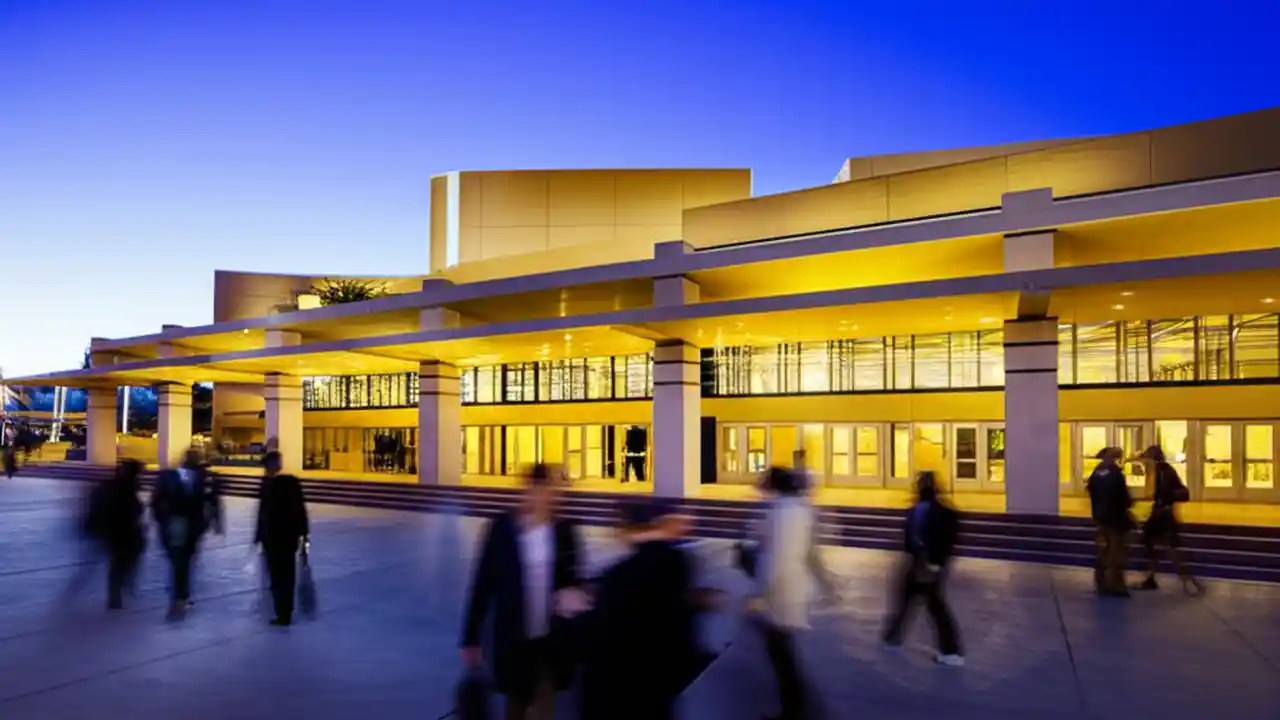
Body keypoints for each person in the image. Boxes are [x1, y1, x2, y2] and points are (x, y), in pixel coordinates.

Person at [461, 464, 586, 720]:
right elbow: (483, 583)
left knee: (545, 705)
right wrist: (471, 637)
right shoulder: (502, 529)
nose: (553, 496)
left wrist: (574, 598)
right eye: (549, 489)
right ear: (532, 489)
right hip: (514, 641)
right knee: (516, 706)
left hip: (550, 642)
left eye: (557, 491)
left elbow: (573, 579)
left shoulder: (564, 531)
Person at [581, 499, 722, 720]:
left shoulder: (619, 574)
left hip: (623, 684)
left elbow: (604, 635)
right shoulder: (678, 562)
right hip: (663, 678)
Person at [750, 466, 818, 720]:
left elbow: (777, 558)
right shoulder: (797, 509)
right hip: (789, 589)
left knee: (782, 654)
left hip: (780, 593)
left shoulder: (782, 513)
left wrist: (762, 595)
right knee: (783, 651)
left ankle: (794, 708)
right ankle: (795, 705)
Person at [882, 470, 963, 667]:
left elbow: (914, 539)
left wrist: (933, 560)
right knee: (911, 599)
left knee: (931, 604)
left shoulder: (921, 511)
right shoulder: (941, 511)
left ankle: (951, 651)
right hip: (927, 564)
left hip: (924, 564)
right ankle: (893, 637)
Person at [151, 448, 222, 617]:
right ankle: (180, 595)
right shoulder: (189, 477)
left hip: (186, 525)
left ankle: (180, 594)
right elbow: (211, 501)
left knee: (181, 560)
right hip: (181, 523)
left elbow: (210, 500)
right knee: (181, 561)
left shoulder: (199, 477)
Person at [1135, 446, 1205, 595]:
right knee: (1154, 545)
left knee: (1169, 547)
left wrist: (1162, 501)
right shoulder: (1159, 470)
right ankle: (1154, 577)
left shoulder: (1162, 471)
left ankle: (1188, 580)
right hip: (1160, 513)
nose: (1143, 462)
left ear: (1152, 459)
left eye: (1146, 459)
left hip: (1163, 515)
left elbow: (1161, 493)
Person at [255, 451, 310, 626]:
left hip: (281, 537)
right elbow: (263, 512)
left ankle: (284, 612)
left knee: (282, 575)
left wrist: (303, 533)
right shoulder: (273, 483)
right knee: (281, 575)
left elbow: (298, 509)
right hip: (278, 538)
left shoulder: (285, 483)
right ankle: (283, 610)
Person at [95, 459, 146, 609]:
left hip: (117, 531)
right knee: (121, 562)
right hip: (123, 531)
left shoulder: (116, 485)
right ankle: (118, 590)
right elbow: (133, 508)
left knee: (118, 563)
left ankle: (116, 592)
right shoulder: (125, 488)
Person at [1086, 447, 1135, 597]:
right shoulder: (1115, 474)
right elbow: (1123, 497)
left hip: (1101, 518)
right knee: (1117, 552)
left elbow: (1091, 491)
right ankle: (1115, 584)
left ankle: (1101, 582)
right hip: (1116, 519)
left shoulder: (1096, 473)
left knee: (1102, 551)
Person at [792, 450, 839, 605]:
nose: (797, 461)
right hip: (802, 519)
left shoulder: (806, 474)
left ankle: (829, 587)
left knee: (811, 560)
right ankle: (827, 587)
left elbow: (811, 492)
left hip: (804, 521)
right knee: (808, 561)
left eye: (798, 458)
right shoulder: (796, 474)